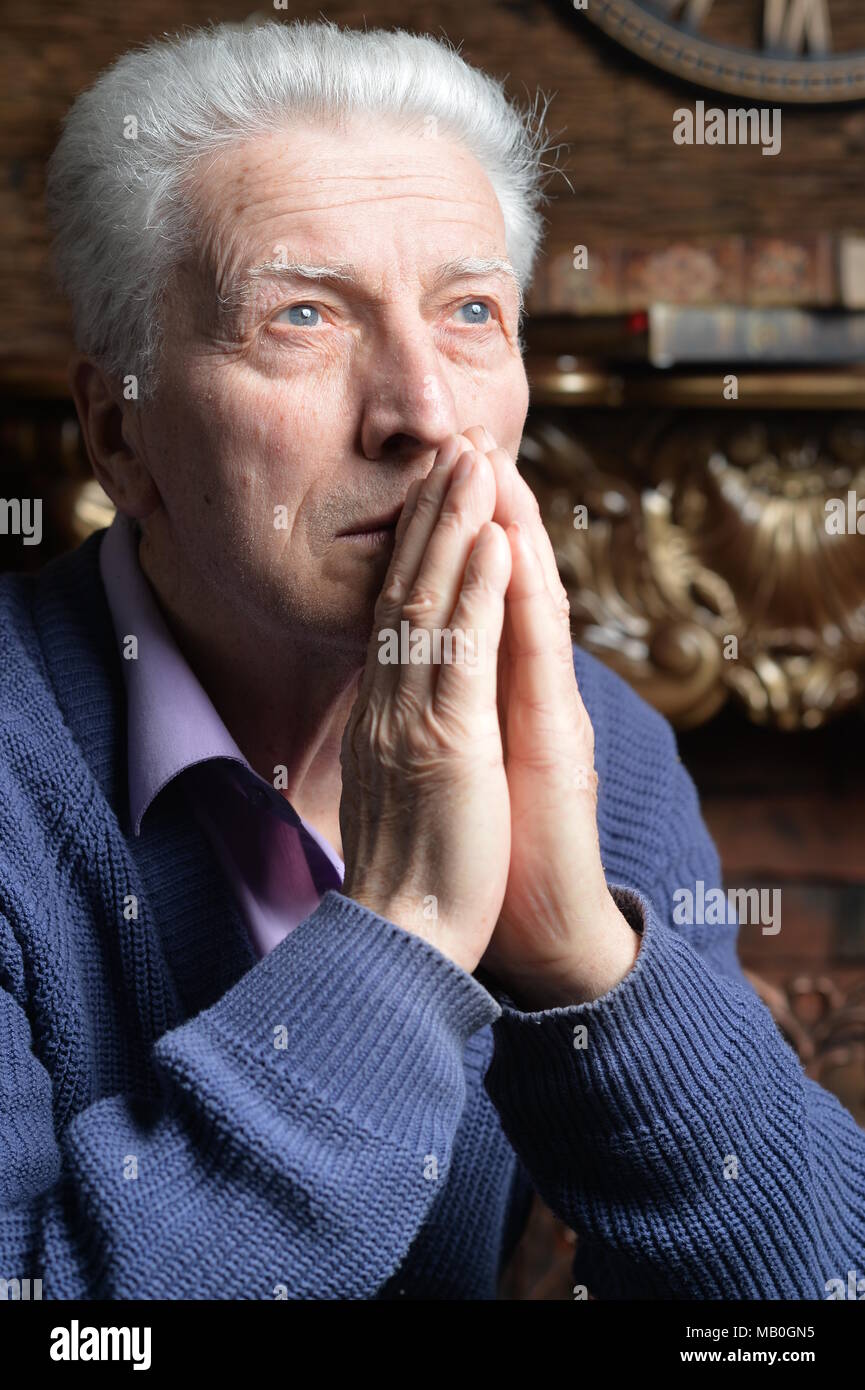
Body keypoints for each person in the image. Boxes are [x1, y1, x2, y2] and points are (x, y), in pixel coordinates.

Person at [0, 18, 862, 1301]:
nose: (422, 410)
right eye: (301, 314)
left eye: (470, 312)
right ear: (120, 437)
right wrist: (400, 935)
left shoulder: (594, 746)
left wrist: (583, 962)